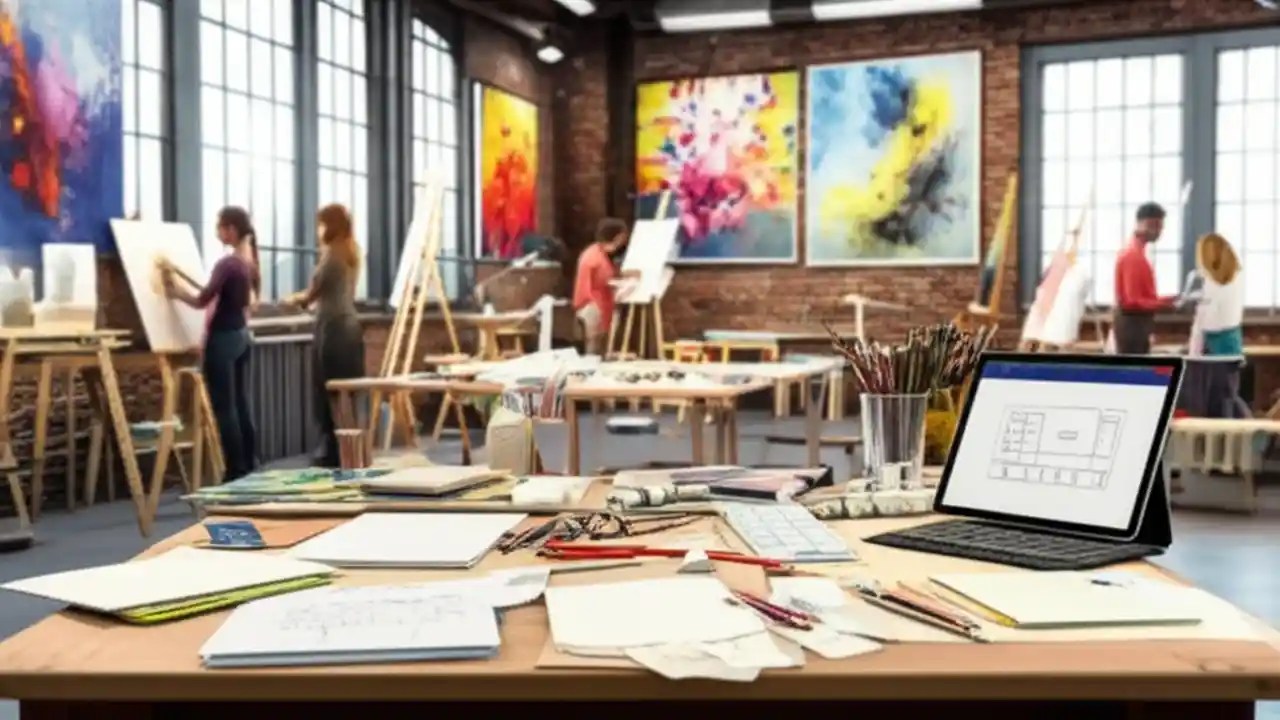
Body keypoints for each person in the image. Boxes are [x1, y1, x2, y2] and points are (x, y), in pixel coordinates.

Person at [161, 206, 260, 480]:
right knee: (240, 403)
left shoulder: (228, 264)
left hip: (224, 339)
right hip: (241, 337)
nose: (217, 232)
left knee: (225, 407)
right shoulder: (249, 262)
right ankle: (249, 463)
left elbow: (202, 299)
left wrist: (175, 292)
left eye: (219, 227)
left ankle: (235, 470)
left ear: (230, 229)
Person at [285, 204, 365, 467]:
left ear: (329, 225)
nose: (318, 230)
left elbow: (311, 297)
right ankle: (350, 450)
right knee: (347, 394)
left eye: (321, 224)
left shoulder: (331, 256)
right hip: (351, 328)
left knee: (328, 390)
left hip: (333, 330)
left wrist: (290, 300)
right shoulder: (353, 250)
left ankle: (334, 452)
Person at [1113, 202, 1178, 354]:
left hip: (1135, 323)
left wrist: (1166, 300)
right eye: (1158, 226)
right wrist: (1164, 305)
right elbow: (1131, 301)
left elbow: (1140, 297)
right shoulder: (1133, 255)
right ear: (1147, 224)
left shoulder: (1136, 253)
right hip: (1132, 325)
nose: (1160, 231)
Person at [573, 218, 635, 355]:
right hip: (593, 308)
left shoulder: (599, 254)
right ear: (617, 237)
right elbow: (586, 288)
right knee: (594, 349)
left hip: (599, 307)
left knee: (599, 347)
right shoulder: (592, 257)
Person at [1191, 232, 1244, 357]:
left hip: (1215, 342)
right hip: (1233, 337)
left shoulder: (1211, 284)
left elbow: (1209, 324)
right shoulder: (1236, 277)